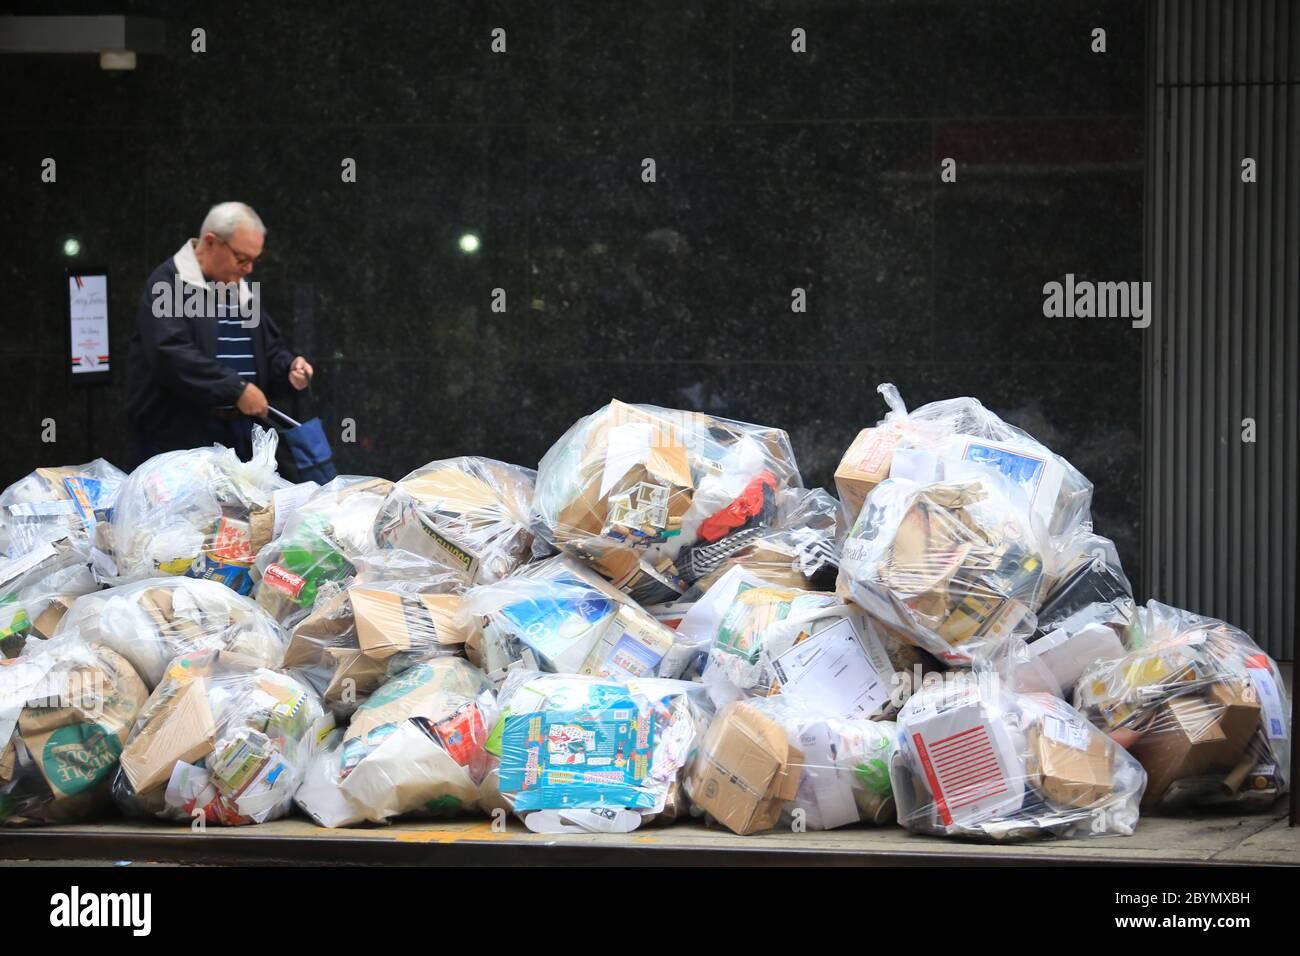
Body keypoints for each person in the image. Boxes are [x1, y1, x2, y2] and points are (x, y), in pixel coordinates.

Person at [126, 202, 313, 466]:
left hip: (240, 435)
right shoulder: (168, 283)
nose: (248, 269)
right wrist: (236, 389)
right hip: (181, 442)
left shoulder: (241, 289)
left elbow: (269, 350)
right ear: (211, 242)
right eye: (242, 259)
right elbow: (171, 353)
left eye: (253, 261)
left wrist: (289, 370)